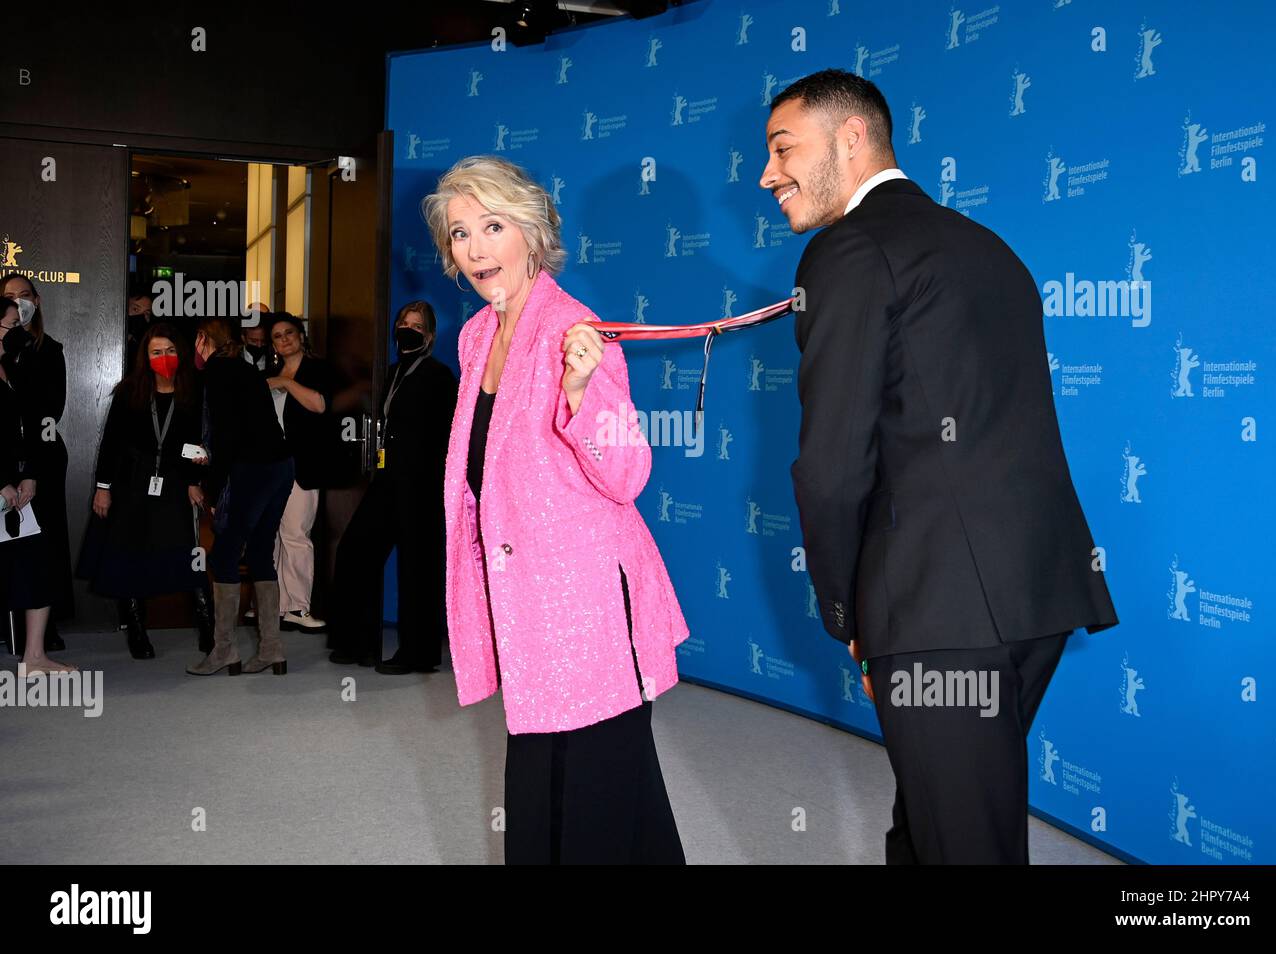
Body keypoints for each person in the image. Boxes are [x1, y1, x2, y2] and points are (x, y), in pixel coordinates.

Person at [760, 69, 1119, 864]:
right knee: (937, 815)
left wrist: (846, 613)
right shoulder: (986, 247)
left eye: (784, 148)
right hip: (1035, 593)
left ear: (852, 137)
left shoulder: (846, 251)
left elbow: (830, 466)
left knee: (964, 839)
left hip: (938, 608)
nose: (767, 174)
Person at [423, 155, 689, 863]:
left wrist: (580, 392)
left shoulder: (576, 329)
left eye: (492, 225)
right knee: (574, 801)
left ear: (532, 233)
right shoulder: (479, 334)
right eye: (459, 234)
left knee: (590, 805)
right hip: (532, 612)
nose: (475, 249)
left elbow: (629, 472)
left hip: (592, 614)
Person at [327, 301, 456, 673]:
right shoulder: (394, 372)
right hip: (387, 481)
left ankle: (419, 654)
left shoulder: (439, 376)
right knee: (355, 550)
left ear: (428, 336)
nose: (406, 328)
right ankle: (358, 642)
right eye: (402, 322)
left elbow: (449, 437)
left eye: (415, 325)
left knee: (419, 569)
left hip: (424, 487)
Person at [78, 321, 212, 659]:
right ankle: (137, 630)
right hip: (132, 484)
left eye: (169, 351)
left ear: (179, 353)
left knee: (188, 554)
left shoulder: (194, 391)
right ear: (146, 356)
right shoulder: (129, 392)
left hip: (176, 483)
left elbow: (199, 443)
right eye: (156, 352)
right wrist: (103, 488)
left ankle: (209, 629)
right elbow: (111, 443)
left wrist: (194, 482)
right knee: (130, 555)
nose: (164, 357)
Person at [186, 316, 294, 676]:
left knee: (225, 555)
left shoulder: (216, 373)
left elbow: (225, 438)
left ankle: (224, 651)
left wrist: (214, 490)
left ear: (203, 340)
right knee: (261, 551)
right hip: (280, 466)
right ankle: (272, 650)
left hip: (252, 469)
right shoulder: (246, 371)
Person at [0, 296, 75, 675]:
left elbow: (36, 423)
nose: (16, 332)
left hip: (25, 478)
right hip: (3, 483)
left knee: (37, 562)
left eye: (19, 324)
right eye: (9, 325)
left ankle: (34, 656)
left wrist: (28, 473)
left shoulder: (24, 365)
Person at [265, 313, 330, 632]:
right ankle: (276, 606)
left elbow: (318, 405)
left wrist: (288, 383)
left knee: (295, 533)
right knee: (272, 536)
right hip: (269, 464)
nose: (285, 339)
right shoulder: (268, 373)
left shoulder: (317, 369)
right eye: (277, 336)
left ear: (301, 335)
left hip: (302, 465)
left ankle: (299, 606)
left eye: (289, 332)